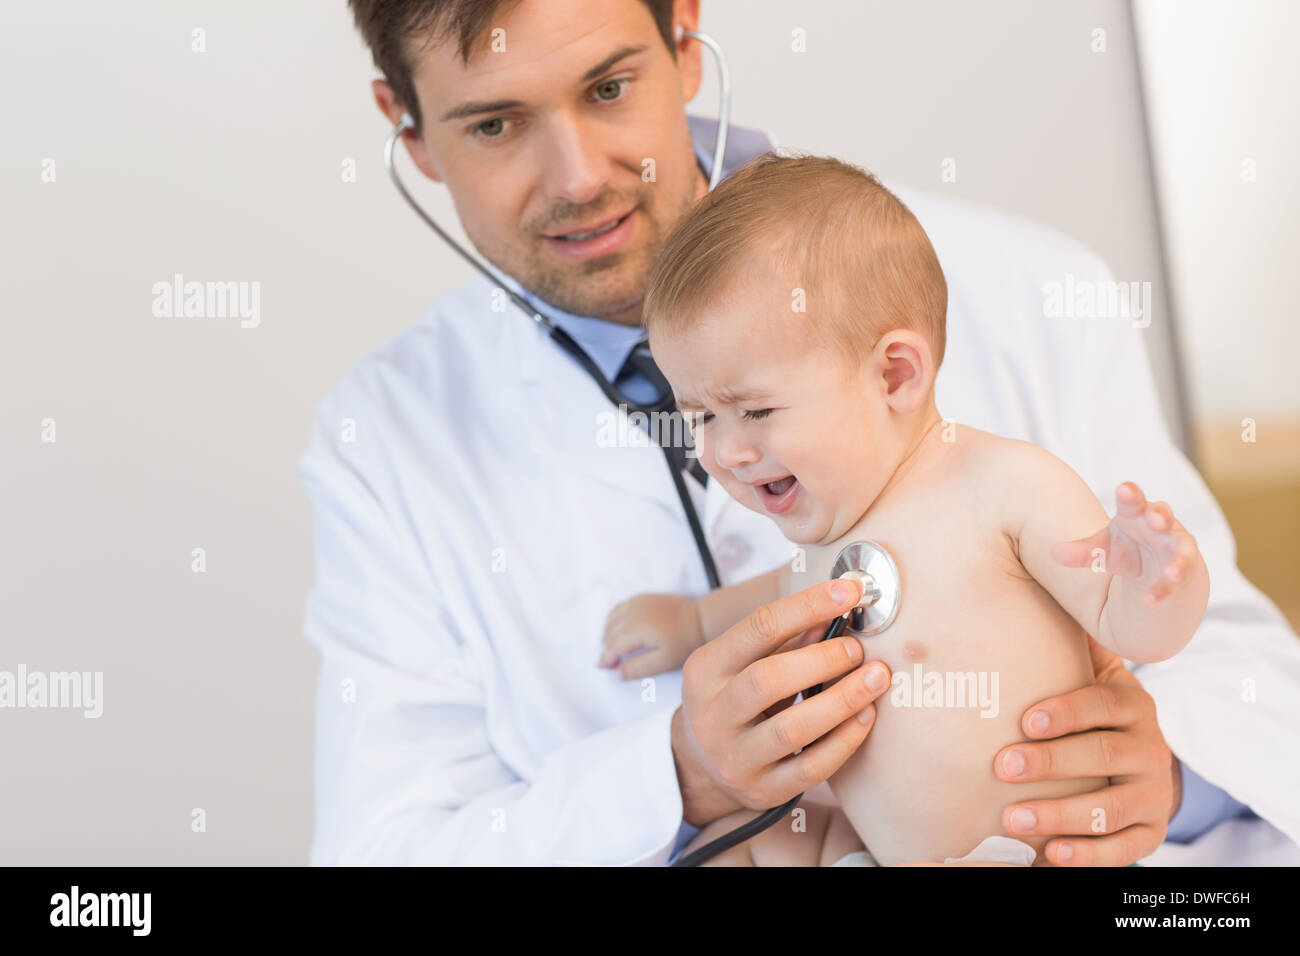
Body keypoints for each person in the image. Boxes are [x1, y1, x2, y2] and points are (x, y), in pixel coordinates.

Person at [299, 0, 1300, 865]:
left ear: (684, 36)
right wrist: (678, 774)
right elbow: (384, 846)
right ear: (410, 128)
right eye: (493, 125)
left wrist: (1169, 770)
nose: (576, 177)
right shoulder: (384, 442)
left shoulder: (1029, 289)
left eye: (607, 88)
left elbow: (1249, 680)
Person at [623, 154, 1209, 866]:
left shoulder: (1003, 485)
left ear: (896, 374)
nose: (726, 453)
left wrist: (1156, 581)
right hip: (873, 847)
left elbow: (1128, 621)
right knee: (734, 847)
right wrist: (688, 623)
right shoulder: (823, 545)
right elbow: (763, 607)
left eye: (755, 411)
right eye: (700, 419)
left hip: (1023, 846)